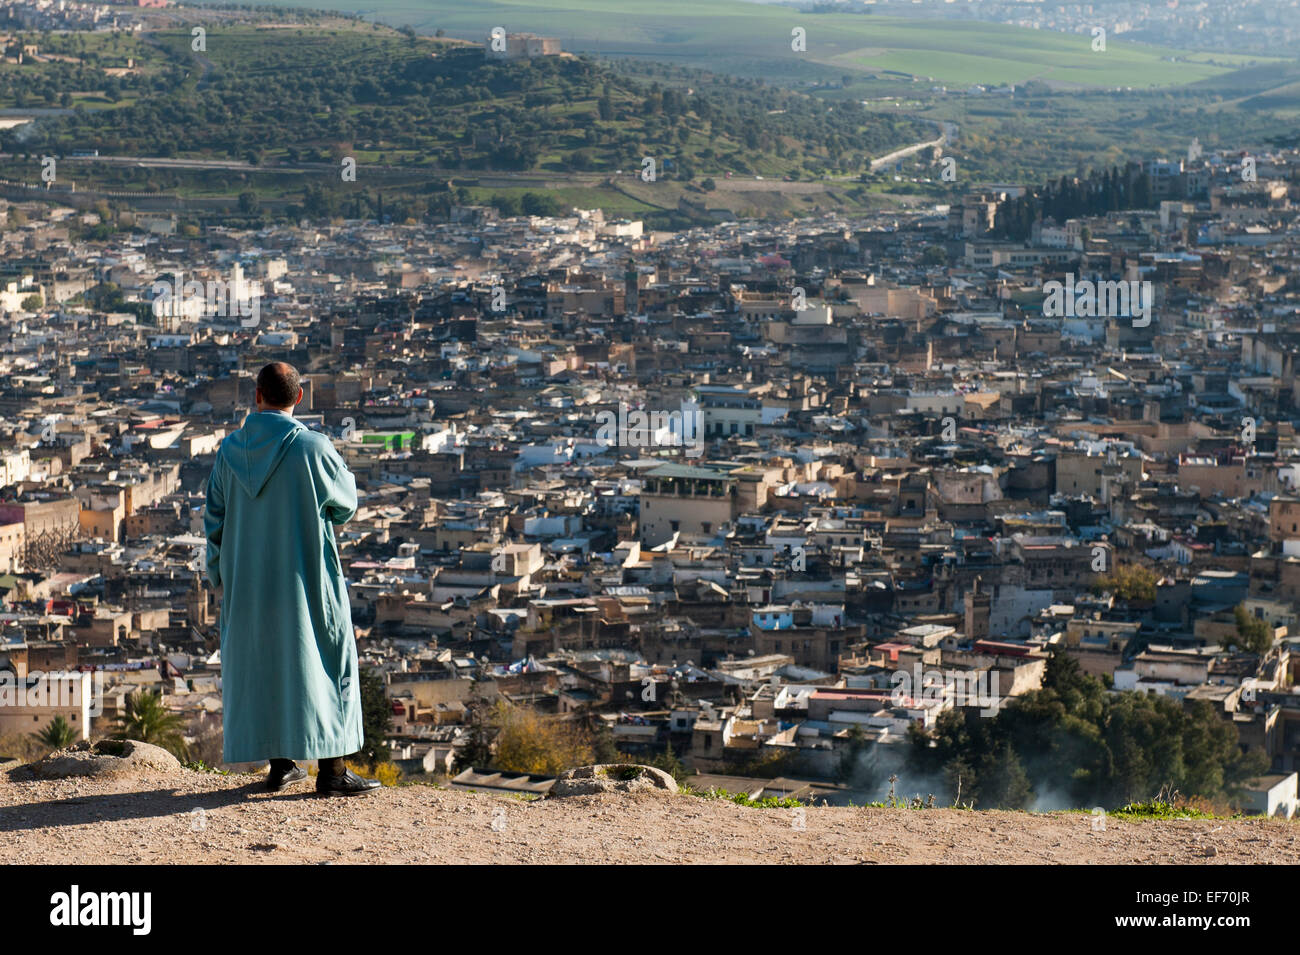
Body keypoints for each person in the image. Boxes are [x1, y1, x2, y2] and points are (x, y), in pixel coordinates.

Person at [203, 361, 380, 797]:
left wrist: (219, 576)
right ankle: (333, 772)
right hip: (306, 580)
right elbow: (346, 506)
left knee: (264, 665)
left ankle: (281, 765)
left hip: (248, 582)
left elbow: (214, 522)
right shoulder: (315, 449)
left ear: (256, 396)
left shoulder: (229, 452)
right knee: (323, 662)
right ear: (298, 398)